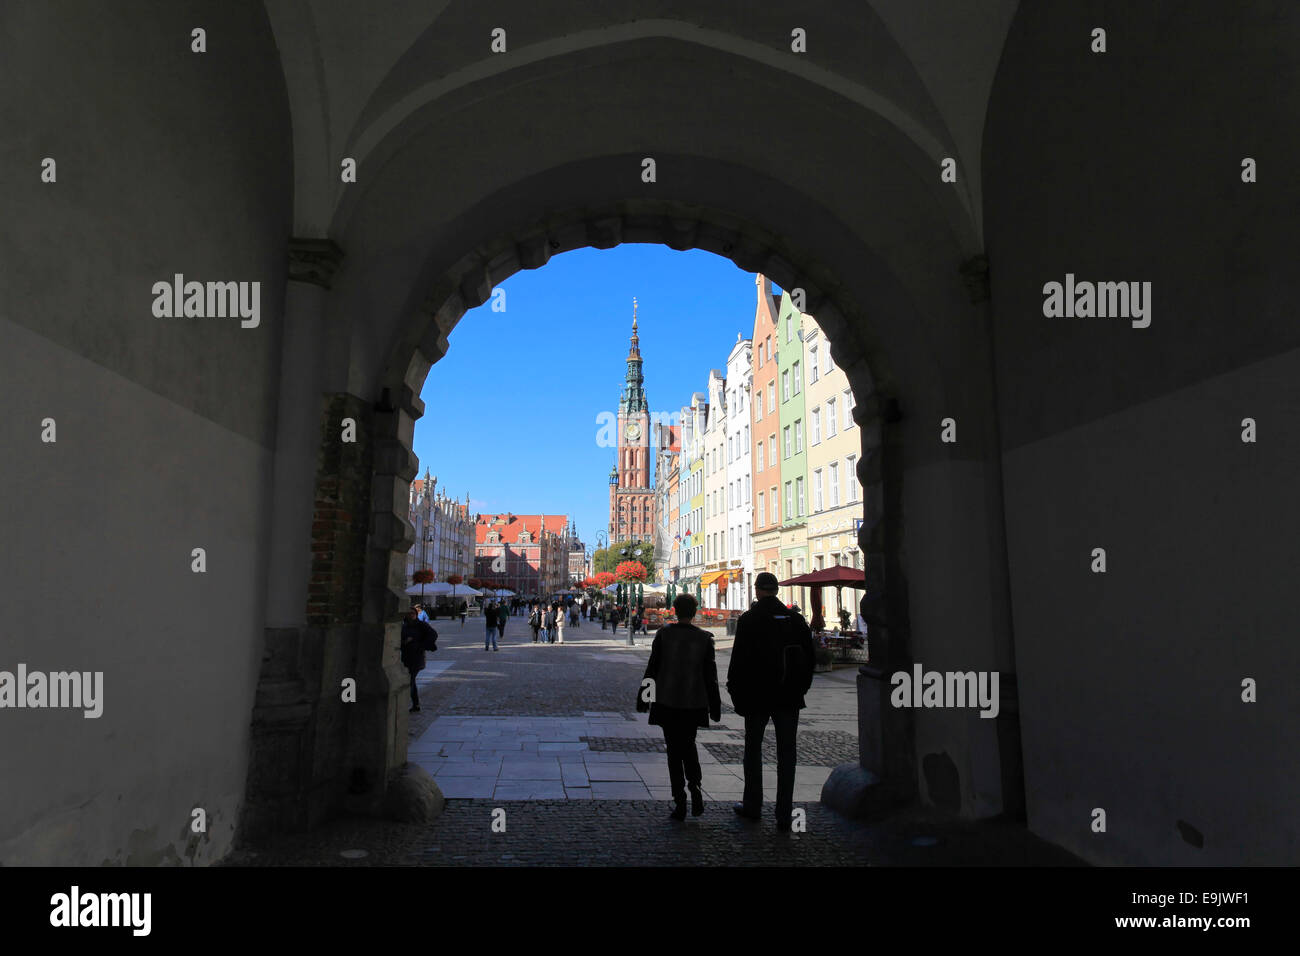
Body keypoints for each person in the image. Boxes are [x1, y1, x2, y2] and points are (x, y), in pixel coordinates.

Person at [727, 571, 815, 832]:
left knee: (753, 750)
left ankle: (753, 805)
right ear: (776, 590)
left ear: (757, 590)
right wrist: (801, 688)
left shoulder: (750, 619)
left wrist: (734, 690)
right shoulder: (796, 620)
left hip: (757, 695)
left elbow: (739, 659)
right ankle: (784, 812)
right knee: (787, 753)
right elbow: (809, 659)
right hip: (789, 696)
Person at [637, 593, 721, 821]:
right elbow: (710, 676)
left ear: (675, 611)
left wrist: (644, 697)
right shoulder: (704, 639)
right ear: (694, 613)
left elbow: (652, 668)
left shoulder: (664, 635)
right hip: (693, 702)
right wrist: (715, 705)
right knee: (689, 744)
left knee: (673, 751)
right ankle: (695, 787)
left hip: (667, 700)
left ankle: (680, 800)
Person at [401, 608, 437, 712]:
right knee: (411, 681)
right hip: (406, 656)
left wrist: (421, 646)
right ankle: (415, 704)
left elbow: (433, 635)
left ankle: (406, 704)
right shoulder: (404, 626)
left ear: (416, 614)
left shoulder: (421, 625)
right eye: (408, 613)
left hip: (417, 657)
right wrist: (405, 641)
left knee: (410, 680)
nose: (410, 615)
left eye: (412, 613)